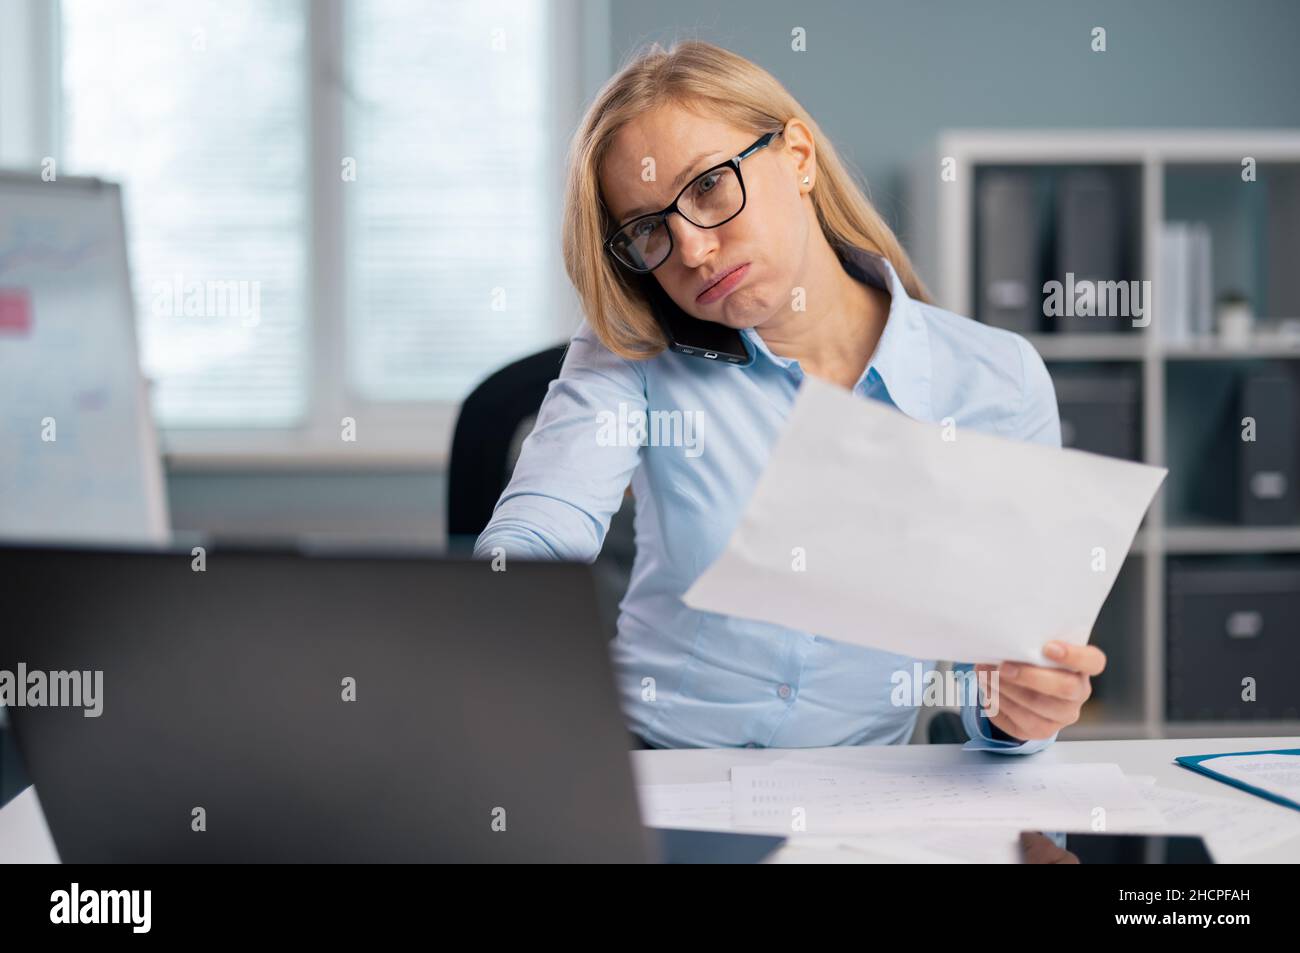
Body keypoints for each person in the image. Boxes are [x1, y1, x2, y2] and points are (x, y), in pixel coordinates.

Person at [473, 40, 1105, 751]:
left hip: (858, 798)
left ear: (797, 155)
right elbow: (544, 525)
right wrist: (494, 608)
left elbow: (1008, 679)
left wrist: (1018, 711)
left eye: (708, 185)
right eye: (649, 229)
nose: (691, 250)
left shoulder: (996, 381)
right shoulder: (637, 348)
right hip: (654, 769)